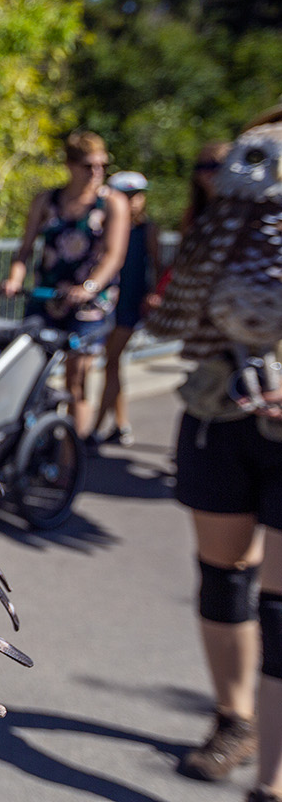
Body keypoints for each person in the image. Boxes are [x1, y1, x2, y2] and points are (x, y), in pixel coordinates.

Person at [168, 117, 282, 802]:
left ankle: (272, 778)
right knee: (224, 579)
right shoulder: (233, 205)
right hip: (219, 413)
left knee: (280, 608)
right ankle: (233, 719)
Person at [0, 131, 130, 440]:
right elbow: (25, 249)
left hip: (88, 303)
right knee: (30, 372)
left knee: (76, 380)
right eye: (89, 166)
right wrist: (15, 278)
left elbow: (114, 255)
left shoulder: (112, 203)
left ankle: (73, 453)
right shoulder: (47, 201)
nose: (96, 173)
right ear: (71, 165)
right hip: (47, 295)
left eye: (102, 165)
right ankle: (32, 443)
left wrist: (88, 287)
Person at [91, 170, 161, 446]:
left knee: (110, 361)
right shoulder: (102, 225)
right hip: (105, 304)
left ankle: (93, 430)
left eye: (138, 195)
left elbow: (156, 266)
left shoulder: (147, 229)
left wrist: (155, 294)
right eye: (127, 195)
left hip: (130, 304)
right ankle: (121, 425)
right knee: (113, 365)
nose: (134, 201)